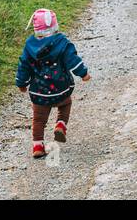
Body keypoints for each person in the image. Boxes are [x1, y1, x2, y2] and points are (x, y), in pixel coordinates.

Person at [15, 8, 90, 158]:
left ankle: (37, 146)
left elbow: (24, 65)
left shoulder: (30, 45)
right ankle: (61, 124)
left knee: (38, 119)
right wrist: (83, 73)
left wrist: (21, 83)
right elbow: (72, 60)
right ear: (55, 25)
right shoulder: (62, 42)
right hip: (61, 88)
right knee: (65, 104)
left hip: (39, 91)